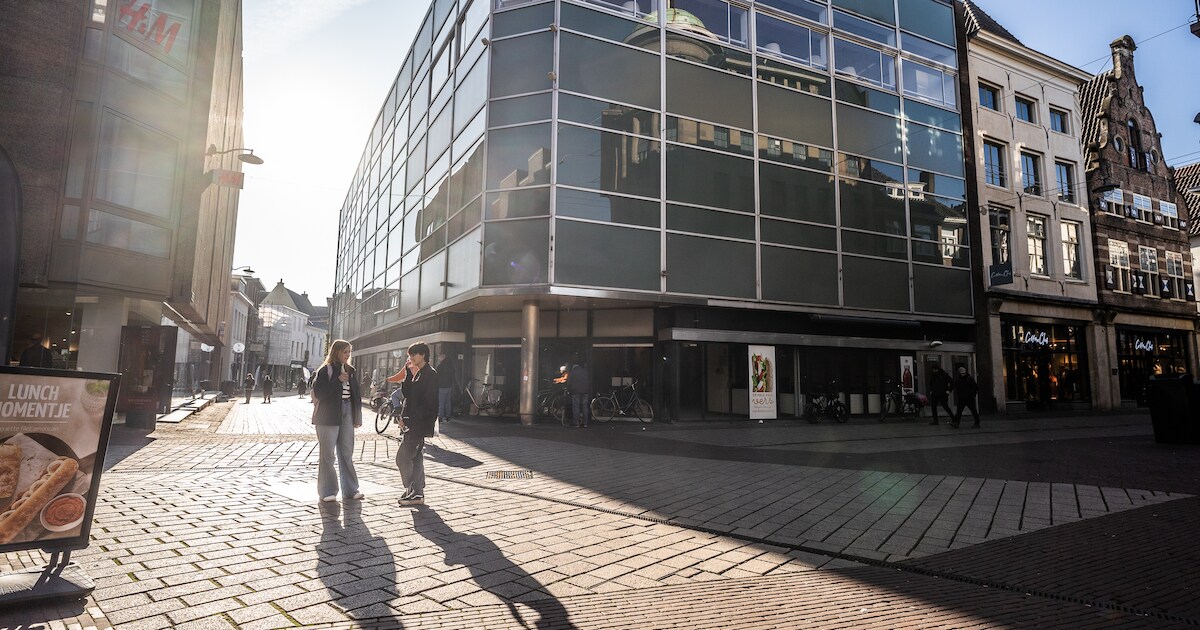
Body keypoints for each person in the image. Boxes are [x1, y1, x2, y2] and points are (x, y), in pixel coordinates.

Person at [311, 339, 362, 502]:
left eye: (349, 352)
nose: (347, 355)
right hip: (328, 414)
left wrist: (357, 416)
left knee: (347, 452)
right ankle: (327, 491)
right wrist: (338, 380)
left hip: (347, 410)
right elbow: (320, 393)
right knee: (327, 455)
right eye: (344, 351)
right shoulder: (325, 370)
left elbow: (356, 395)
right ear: (336, 352)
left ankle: (351, 489)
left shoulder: (351, 370)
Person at [394, 342, 438, 506]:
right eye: (410, 355)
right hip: (412, 423)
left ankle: (413, 489)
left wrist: (411, 421)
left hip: (418, 424)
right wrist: (407, 375)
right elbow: (408, 395)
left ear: (423, 355)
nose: (411, 358)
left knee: (402, 458)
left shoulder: (430, 374)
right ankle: (417, 493)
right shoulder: (418, 373)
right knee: (416, 458)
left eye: (414, 354)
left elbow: (429, 404)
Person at [566, 360, 591, 428]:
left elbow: (569, 382)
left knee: (576, 407)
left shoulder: (573, 372)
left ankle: (576, 423)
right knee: (584, 407)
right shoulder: (585, 371)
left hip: (576, 391)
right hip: (585, 391)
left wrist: (569, 389)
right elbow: (589, 380)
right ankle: (585, 423)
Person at [435, 352, 456, 424]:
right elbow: (453, 375)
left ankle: (440, 417)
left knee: (441, 402)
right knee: (448, 402)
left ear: (442, 357)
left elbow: (436, 376)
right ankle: (448, 417)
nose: (438, 358)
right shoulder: (451, 365)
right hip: (449, 386)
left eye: (439, 357)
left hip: (441, 386)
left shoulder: (440, 366)